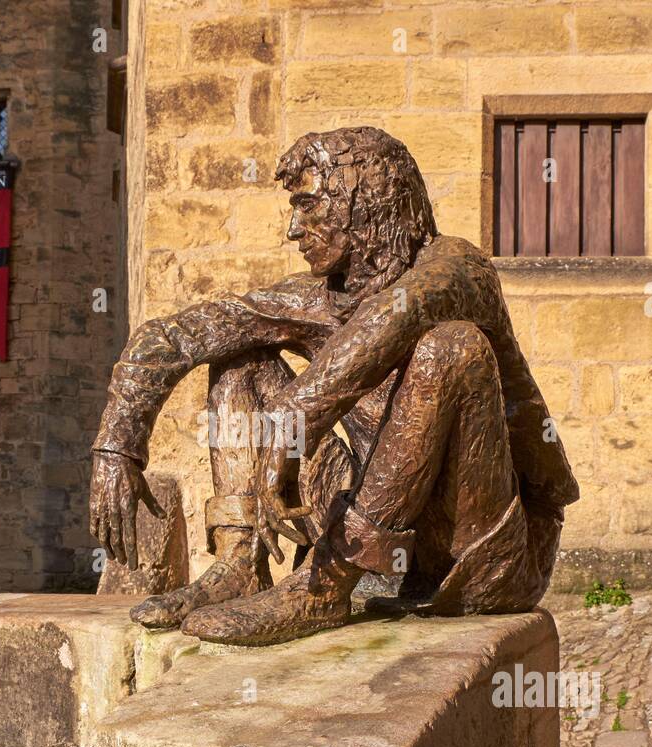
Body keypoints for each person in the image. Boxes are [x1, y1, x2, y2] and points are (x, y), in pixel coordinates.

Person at [89, 127, 579, 647]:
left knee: (451, 347)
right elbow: (174, 334)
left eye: (309, 206)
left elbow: (396, 314)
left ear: (362, 201)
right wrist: (116, 446)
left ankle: (327, 585)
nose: (293, 231)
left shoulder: (459, 266)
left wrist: (294, 417)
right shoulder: (316, 299)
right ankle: (239, 564)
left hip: (477, 553)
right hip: (380, 532)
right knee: (240, 358)